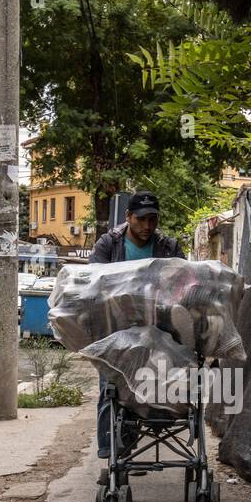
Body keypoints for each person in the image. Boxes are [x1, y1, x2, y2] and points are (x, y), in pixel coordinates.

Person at [89, 191, 185, 462]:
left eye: (152, 219)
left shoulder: (168, 246)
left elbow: (185, 281)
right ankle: (113, 453)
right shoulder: (109, 244)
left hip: (157, 330)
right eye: (141, 219)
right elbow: (92, 281)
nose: (147, 226)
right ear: (128, 217)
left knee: (150, 385)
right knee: (112, 386)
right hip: (115, 329)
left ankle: (133, 445)